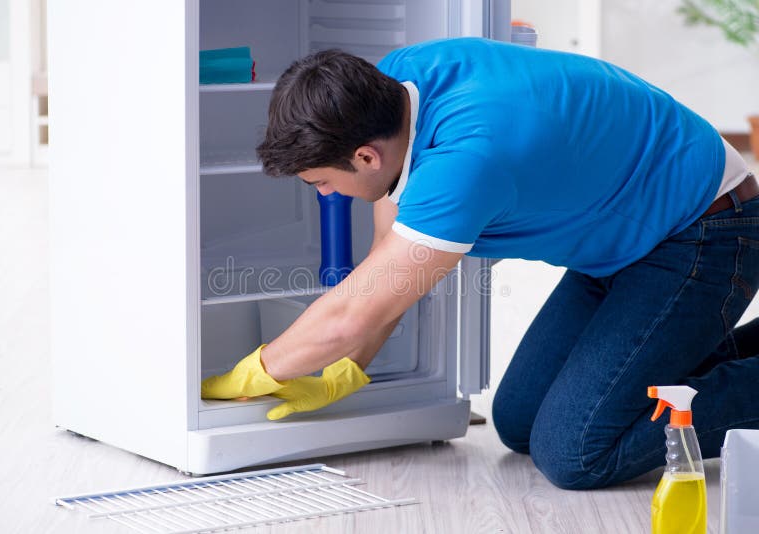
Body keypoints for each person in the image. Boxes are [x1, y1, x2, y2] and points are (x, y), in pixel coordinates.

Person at [201, 37, 759, 489]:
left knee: (577, 452)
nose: (328, 196)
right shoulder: (396, 83)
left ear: (366, 157)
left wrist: (252, 373)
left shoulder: (463, 164)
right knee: (519, 422)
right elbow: (388, 269)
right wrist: (353, 367)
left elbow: (354, 312)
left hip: (702, 231)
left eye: (324, 181)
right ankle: (672, 351)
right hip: (619, 235)